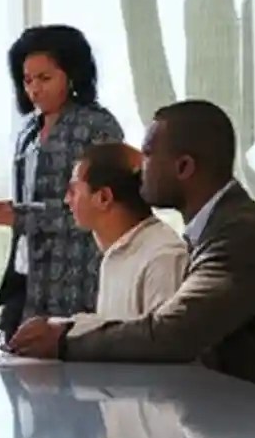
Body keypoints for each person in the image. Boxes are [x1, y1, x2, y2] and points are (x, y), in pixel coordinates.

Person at [9, 100, 255, 401]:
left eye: (147, 156)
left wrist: (64, 343)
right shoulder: (218, 228)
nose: (138, 171)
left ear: (184, 167)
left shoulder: (240, 236)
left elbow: (171, 334)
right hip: (234, 424)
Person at [0, 25, 124, 340]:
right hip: (25, 275)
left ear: (72, 75)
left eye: (45, 78)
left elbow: (101, 210)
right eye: (27, 80)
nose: (34, 89)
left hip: (75, 279)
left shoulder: (98, 127)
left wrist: (23, 215)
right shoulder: (27, 131)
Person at [61, 141, 186, 334]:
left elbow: (164, 344)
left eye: (73, 191)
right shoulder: (116, 253)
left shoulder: (163, 257)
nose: (66, 200)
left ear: (103, 197)